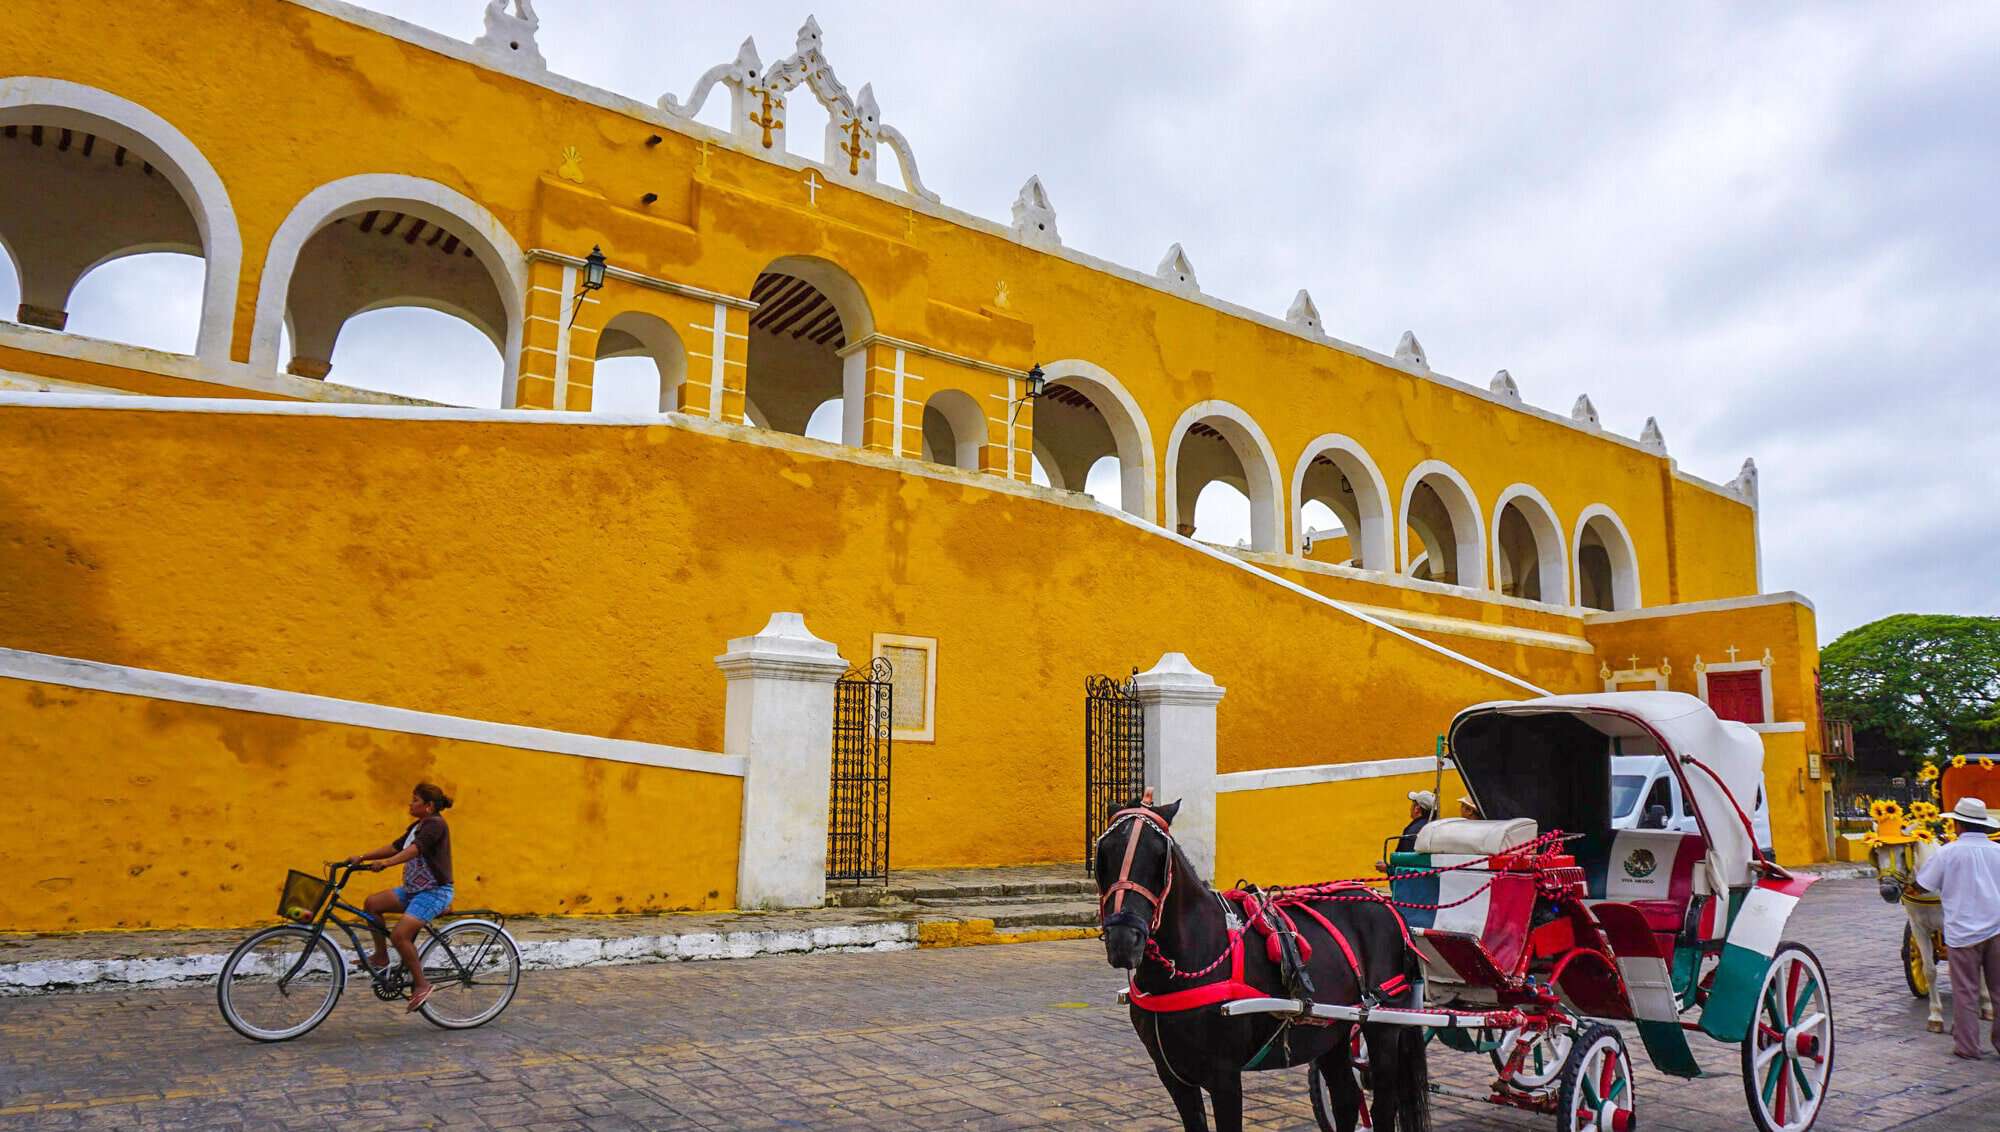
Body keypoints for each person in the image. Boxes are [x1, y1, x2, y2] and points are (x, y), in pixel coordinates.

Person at [345, 782, 456, 1013]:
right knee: (372, 903)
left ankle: (421, 985)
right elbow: (396, 846)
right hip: (413, 890)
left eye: (415, 800)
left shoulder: (435, 824)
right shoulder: (418, 825)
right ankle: (381, 957)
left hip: (433, 892)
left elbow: (415, 850)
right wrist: (363, 857)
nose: (410, 803)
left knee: (399, 935)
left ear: (429, 806)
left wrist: (385, 864)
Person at [1914, 796, 2000, 1060]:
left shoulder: (1947, 853)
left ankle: (1968, 1045)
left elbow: (1923, 886)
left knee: (1965, 991)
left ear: (1958, 825)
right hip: (1997, 930)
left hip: (1962, 934)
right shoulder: (1997, 852)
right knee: (1998, 991)